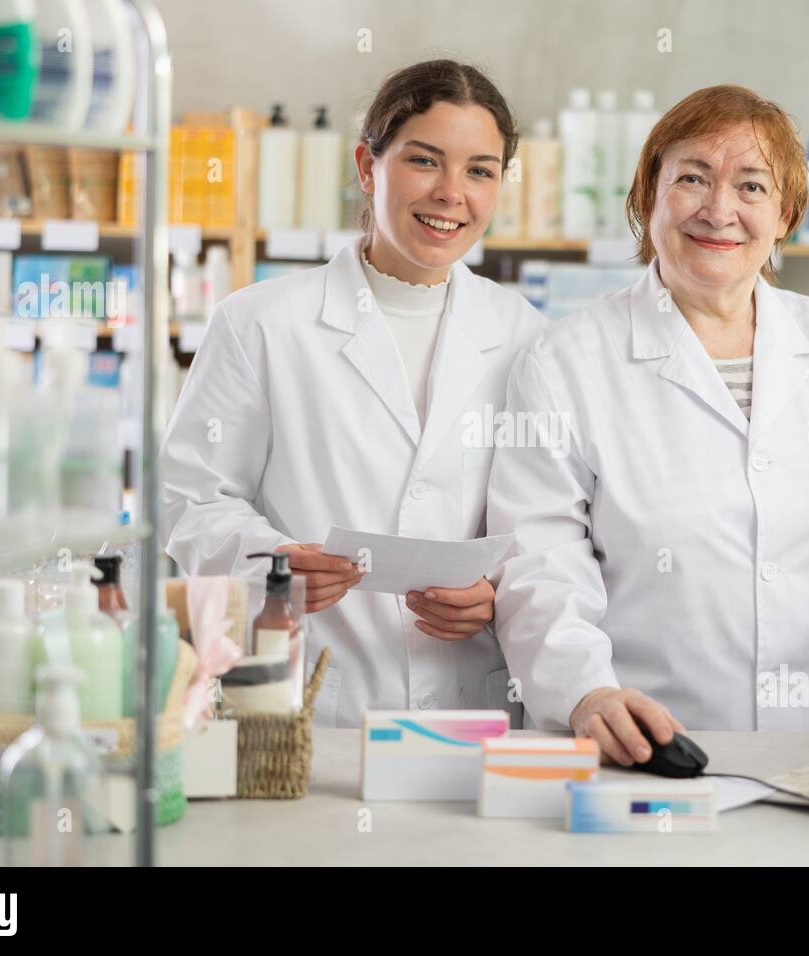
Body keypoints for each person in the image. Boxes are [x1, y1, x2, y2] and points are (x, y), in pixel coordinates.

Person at [487, 84, 809, 766]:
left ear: (786, 215)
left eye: (751, 186)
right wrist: (585, 692)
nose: (720, 210)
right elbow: (541, 567)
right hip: (650, 748)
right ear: (646, 197)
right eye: (692, 178)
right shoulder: (565, 360)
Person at [160, 60, 543, 725]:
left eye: (480, 170)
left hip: (473, 707)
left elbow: (548, 522)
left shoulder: (525, 334)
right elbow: (189, 499)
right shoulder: (260, 323)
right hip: (311, 699)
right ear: (368, 167)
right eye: (425, 161)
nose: (452, 193)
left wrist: (502, 593)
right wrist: (273, 564)